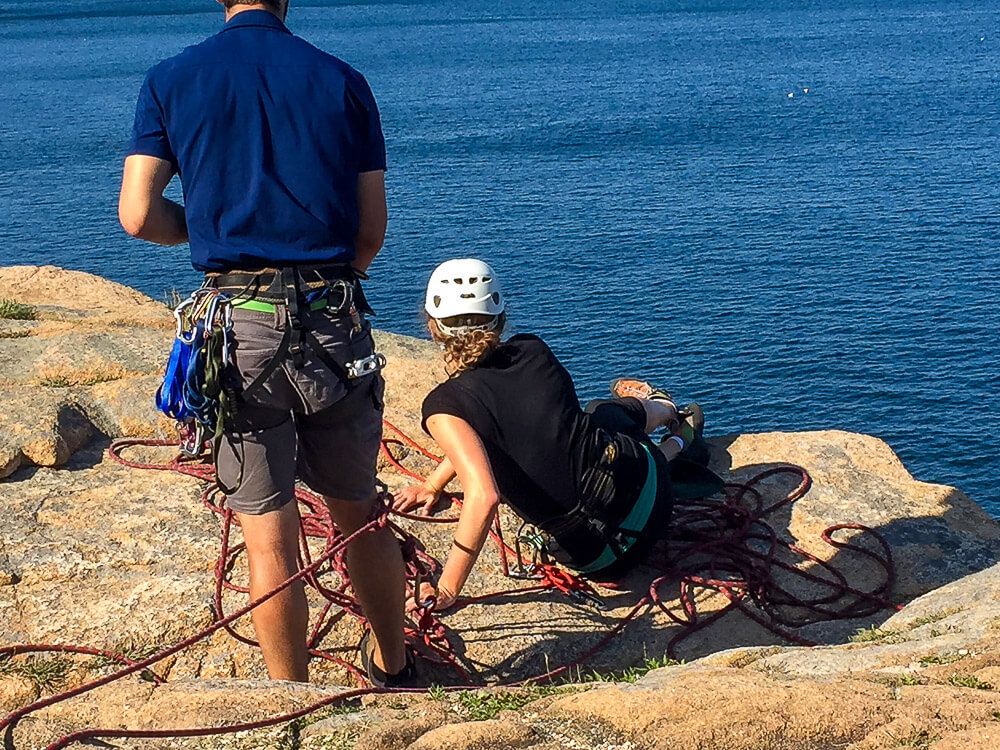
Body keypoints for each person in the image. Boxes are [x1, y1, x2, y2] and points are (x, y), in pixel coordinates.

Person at [118, 0, 413, 687]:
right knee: (357, 511)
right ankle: (395, 669)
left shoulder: (170, 78)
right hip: (335, 321)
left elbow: (137, 215)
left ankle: (291, 699)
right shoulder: (341, 79)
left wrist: (217, 229)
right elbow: (370, 230)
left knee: (268, 530)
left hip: (238, 326)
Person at [393, 259, 706, 609]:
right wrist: (433, 484)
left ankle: (673, 444)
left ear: (433, 328)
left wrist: (447, 588)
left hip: (601, 559)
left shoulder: (445, 406)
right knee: (603, 413)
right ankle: (666, 412)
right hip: (656, 498)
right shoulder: (534, 351)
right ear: (500, 319)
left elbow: (483, 494)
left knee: (600, 419)